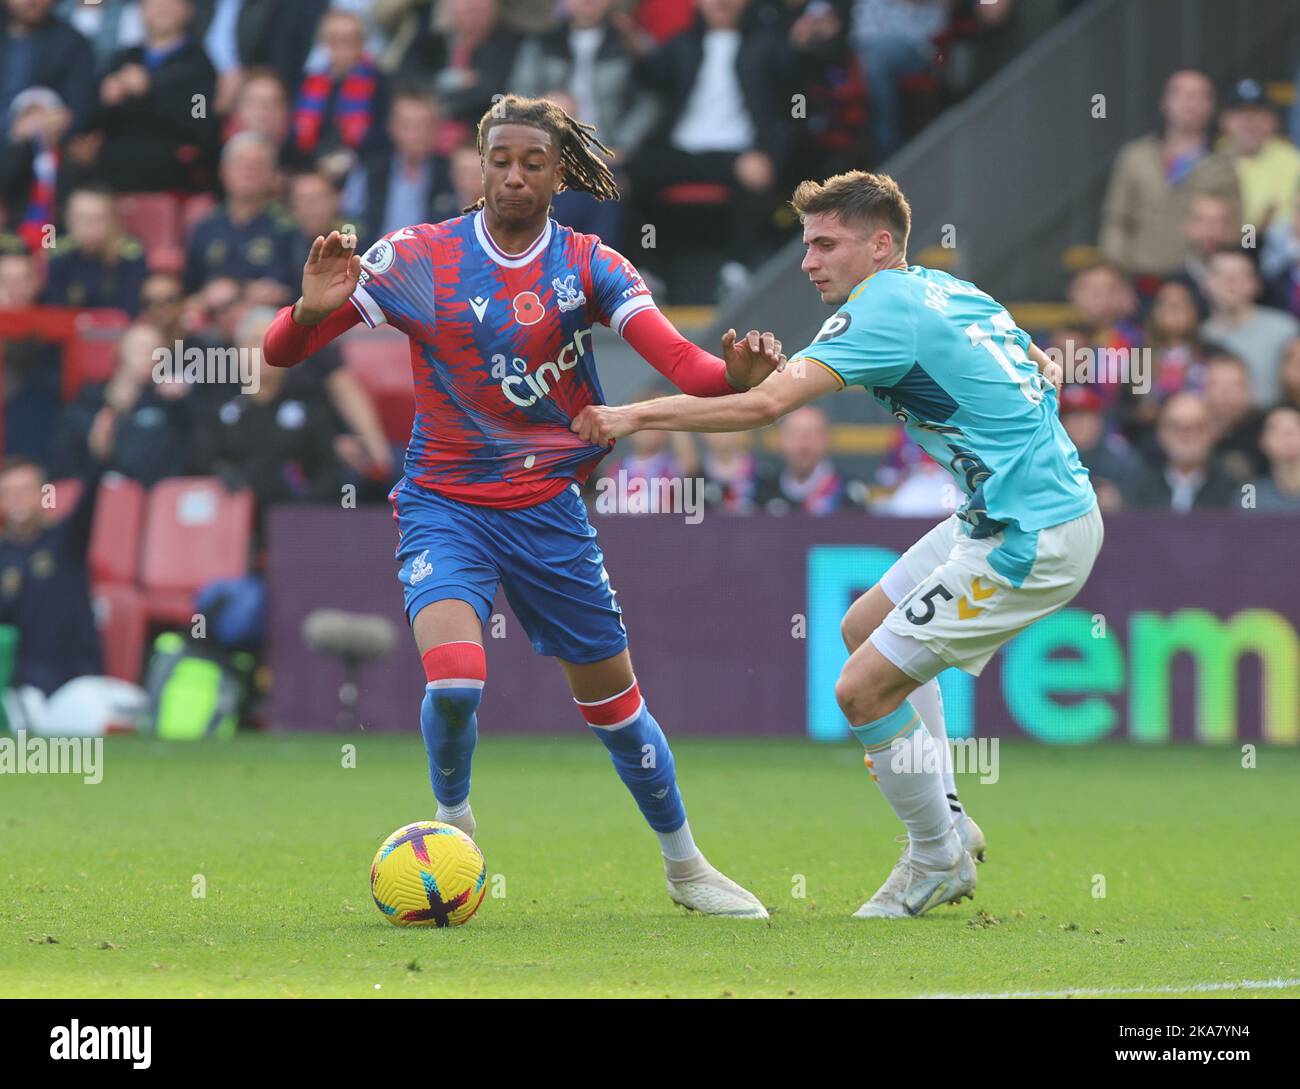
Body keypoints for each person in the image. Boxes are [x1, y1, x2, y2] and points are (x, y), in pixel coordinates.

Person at [261, 93, 784, 919]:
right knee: (459, 681)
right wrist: (309, 310)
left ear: (557, 173)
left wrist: (739, 379)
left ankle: (687, 868)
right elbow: (280, 351)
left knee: (616, 706)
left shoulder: (592, 266)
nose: (512, 175)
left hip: (548, 511)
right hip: (445, 504)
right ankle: (454, 826)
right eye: (498, 159)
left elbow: (687, 366)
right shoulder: (418, 256)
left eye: (531, 163)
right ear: (479, 164)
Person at [573, 170, 1105, 919]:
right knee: (862, 627)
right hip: (1009, 512)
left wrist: (631, 415)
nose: (809, 260)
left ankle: (934, 857)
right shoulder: (948, 290)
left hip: (1029, 535)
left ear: (880, 245)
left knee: (859, 688)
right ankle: (945, 814)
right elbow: (1042, 371)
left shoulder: (884, 305)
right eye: (806, 243)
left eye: (826, 243)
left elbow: (764, 406)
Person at [0, 456, 103, 695]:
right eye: (8, 492)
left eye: (25, 489)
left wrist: (99, 457)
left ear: (43, 494)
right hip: (19, 685)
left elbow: (88, 503)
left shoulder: (66, 540)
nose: (17, 499)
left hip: (76, 680)